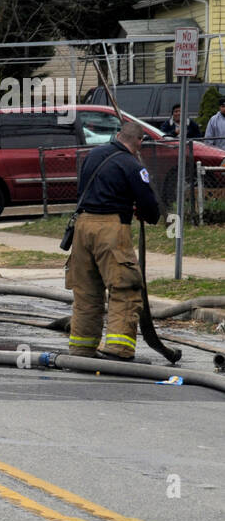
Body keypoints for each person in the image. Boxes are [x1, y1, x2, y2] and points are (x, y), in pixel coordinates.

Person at [66, 121, 161, 360]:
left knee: (86, 291)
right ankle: (119, 350)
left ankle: (81, 347)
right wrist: (149, 215)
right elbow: (149, 205)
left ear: (118, 135)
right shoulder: (132, 164)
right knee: (125, 288)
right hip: (111, 229)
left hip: (82, 227)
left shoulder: (92, 155)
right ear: (139, 142)